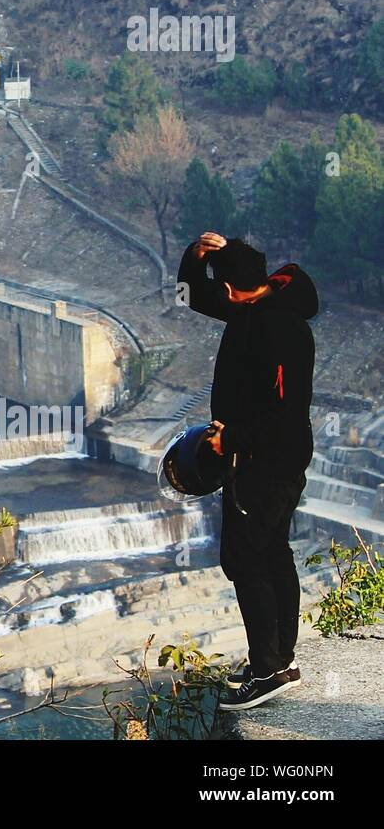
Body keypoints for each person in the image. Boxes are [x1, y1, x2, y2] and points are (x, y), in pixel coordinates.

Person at [177, 231, 318, 711]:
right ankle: (279, 659)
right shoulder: (257, 305)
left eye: (224, 287)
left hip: (266, 461)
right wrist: (197, 258)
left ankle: (268, 670)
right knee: (271, 551)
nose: (221, 297)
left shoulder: (278, 330)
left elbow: (284, 411)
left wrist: (230, 439)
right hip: (268, 458)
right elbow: (195, 295)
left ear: (235, 290)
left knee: (247, 559)